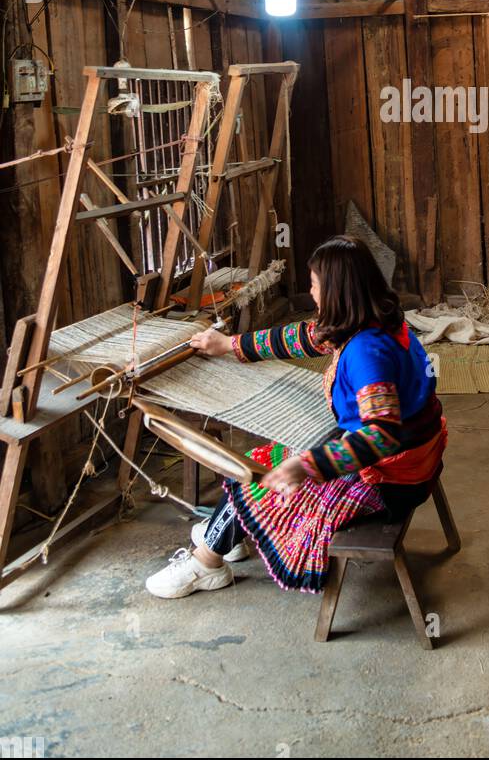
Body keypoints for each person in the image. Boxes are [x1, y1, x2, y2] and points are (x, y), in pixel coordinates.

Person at [145, 235, 447, 599]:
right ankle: (223, 534)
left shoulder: (367, 352)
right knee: (274, 458)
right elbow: (299, 337)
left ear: (337, 291)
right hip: (417, 455)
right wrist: (227, 345)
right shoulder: (372, 319)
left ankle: (207, 563)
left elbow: (380, 435)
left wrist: (307, 466)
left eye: (315, 284)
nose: (311, 291)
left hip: (390, 478)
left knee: (258, 477)